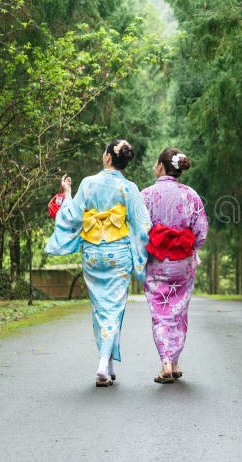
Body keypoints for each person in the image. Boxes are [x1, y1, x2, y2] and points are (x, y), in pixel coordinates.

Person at [44, 140, 151, 387]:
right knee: (114, 309)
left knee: (100, 309)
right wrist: (141, 257)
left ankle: (109, 362)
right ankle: (104, 363)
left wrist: (67, 195)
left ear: (107, 158)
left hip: (92, 253)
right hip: (118, 254)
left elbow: (72, 216)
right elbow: (143, 226)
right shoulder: (130, 188)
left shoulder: (88, 183)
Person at [141, 148, 208, 383]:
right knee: (178, 312)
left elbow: (139, 231)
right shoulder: (191, 195)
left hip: (158, 261)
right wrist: (189, 247)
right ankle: (175, 361)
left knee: (161, 313)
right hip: (183, 262)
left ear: (161, 166)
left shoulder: (146, 195)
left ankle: (166, 364)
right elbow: (201, 232)